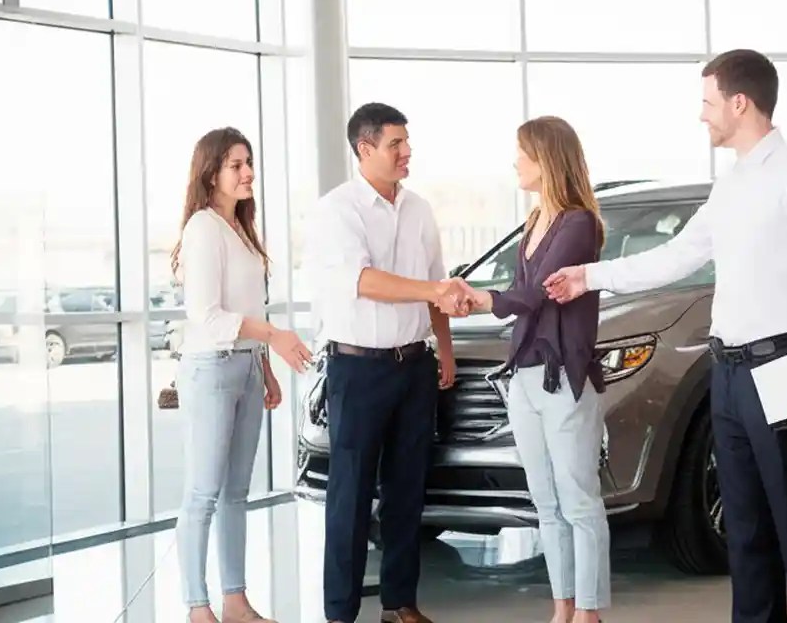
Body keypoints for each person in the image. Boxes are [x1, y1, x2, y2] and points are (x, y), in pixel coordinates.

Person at [544, 49, 787, 623]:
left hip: (783, 374)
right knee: (745, 529)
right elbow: (676, 256)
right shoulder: (731, 185)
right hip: (729, 375)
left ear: (740, 102)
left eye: (708, 102)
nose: (702, 115)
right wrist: (590, 276)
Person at [306, 103, 462, 623]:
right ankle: (340, 613)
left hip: (414, 368)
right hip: (358, 370)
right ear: (364, 149)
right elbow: (364, 281)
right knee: (349, 496)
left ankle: (400, 604)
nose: (406, 152)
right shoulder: (337, 211)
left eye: (407, 142)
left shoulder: (418, 208)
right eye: (395, 144)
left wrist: (445, 348)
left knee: (407, 491)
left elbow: (438, 280)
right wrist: (433, 291)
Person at [451, 116, 610, 623]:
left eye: (522, 152)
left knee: (579, 500)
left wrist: (477, 300)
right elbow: (526, 293)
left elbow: (535, 292)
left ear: (547, 159)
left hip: (563, 378)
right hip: (524, 376)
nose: (514, 161)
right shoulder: (535, 219)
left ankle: (588, 612)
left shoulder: (577, 222)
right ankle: (562, 608)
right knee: (546, 502)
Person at [172, 127, 315, 623]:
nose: (248, 171)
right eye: (236, 164)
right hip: (210, 369)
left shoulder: (241, 232)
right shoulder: (203, 228)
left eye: (249, 162)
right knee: (203, 492)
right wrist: (273, 335)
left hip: (247, 368)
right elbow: (207, 317)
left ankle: (235, 601)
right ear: (212, 173)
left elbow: (247, 306)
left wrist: (265, 366)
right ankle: (197, 606)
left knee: (237, 492)